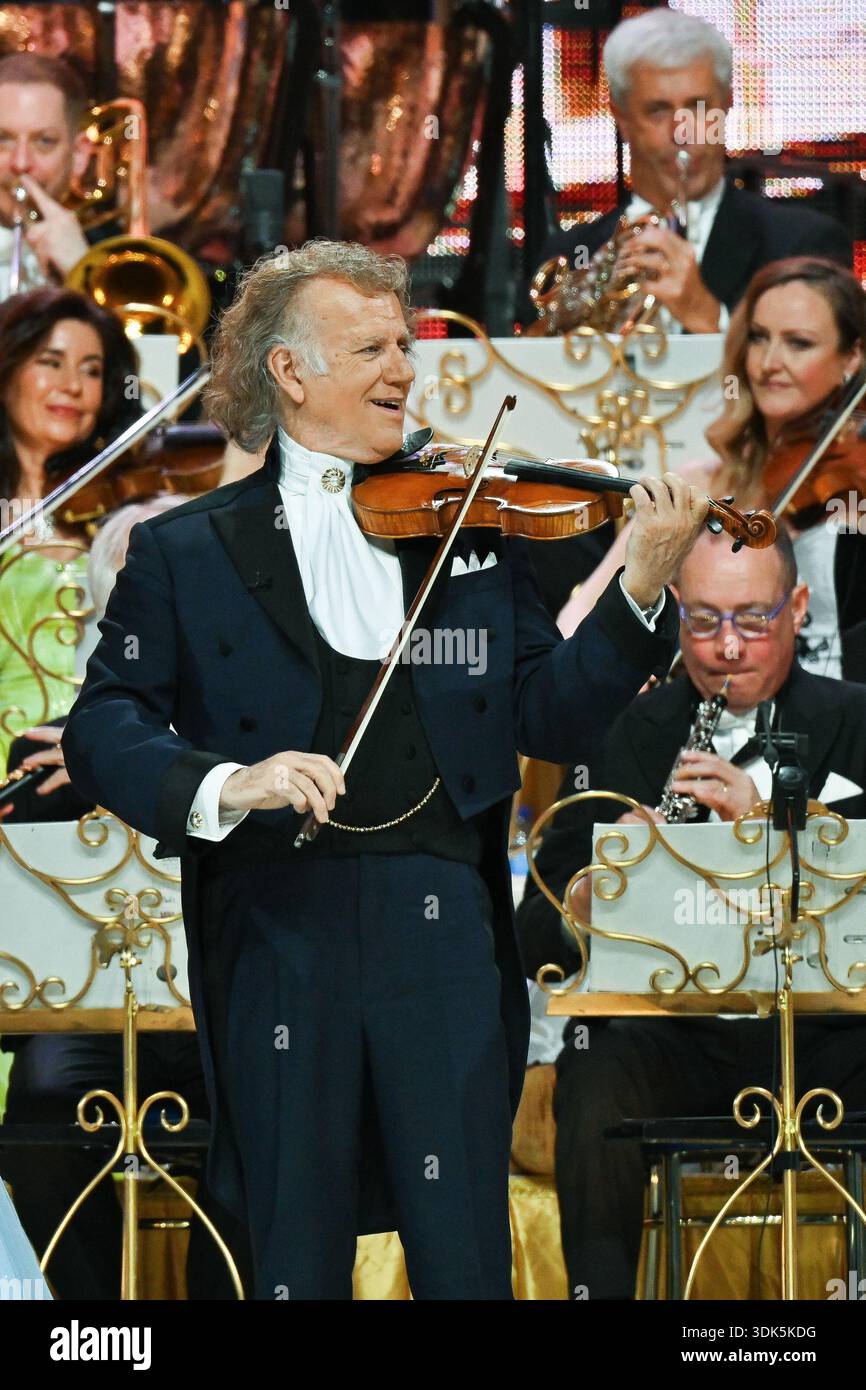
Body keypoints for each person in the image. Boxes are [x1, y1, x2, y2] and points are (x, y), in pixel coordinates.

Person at [59, 239, 709, 1300]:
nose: (404, 369)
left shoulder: (473, 529)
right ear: (289, 372)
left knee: (461, 1254)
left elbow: (548, 710)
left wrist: (637, 587)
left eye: (403, 342)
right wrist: (230, 782)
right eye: (370, 347)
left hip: (444, 926)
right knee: (288, 1246)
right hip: (276, 928)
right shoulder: (186, 551)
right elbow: (102, 727)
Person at [516, 527, 866, 1299]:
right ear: (675, 610)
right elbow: (533, 930)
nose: (728, 648)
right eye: (704, 620)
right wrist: (596, 888)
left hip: (830, 1032)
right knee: (594, 1075)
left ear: (799, 607)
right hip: (674, 1034)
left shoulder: (858, 719)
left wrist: (778, 820)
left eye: (753, 618)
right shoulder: (620, 732)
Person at [560, 257, 866, 683]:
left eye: (798, 343)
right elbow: (578, 617)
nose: (770, 362)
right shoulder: (705, 485)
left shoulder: (854, 487)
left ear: (852, 356)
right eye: (759, 338)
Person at [535, 9, 852, 335]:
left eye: (698, 108)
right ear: (622, 117)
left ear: (727, 104)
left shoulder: (801, 244)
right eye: (658, 110)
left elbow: (814, 379)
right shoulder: (569, 255)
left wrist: (707, 318)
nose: (682, 131)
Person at [0, 286, 138, 772]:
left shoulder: (124, 516)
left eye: (92, 370)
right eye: (51, 362)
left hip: (94, 774)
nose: (73, 386)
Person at [0, 54, 92, 298]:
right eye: (2, 140)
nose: (20, 163)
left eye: (44, 141)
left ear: (79, 155)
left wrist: (81, 271)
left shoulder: (116, 260)